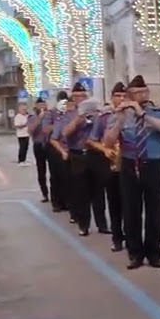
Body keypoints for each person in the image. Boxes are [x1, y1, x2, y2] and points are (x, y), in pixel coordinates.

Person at [103, 75, 160, 269]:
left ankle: (154, 253)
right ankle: (135, 253)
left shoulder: (158, 112)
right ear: (129, 95)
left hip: (153, 164)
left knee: (154, 211)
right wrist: (119, 121)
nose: (141, 95)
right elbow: (108, 141)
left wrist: (143, 115)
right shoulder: (120, 114)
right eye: (136, 93)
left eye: (143, 92)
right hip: (130, 164)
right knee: (131, 211)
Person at [89, 82, 128, 251]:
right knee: (114, 202)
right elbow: (91, 140)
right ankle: (117, 237)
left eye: (124, 96)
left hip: (130, 163)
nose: (121, 99)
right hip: (112, 163)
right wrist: (104, 149)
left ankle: (131, 236)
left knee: (130, 204)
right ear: (112, 97)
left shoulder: (132, 114)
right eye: (118, 96)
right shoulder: (104, 117)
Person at [60, 82, 98, 236]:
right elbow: (64, 132)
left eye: (82, 96)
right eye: (76, 96)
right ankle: (84, 224)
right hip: (77, 154)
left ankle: (102, 224)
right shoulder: (68, 114)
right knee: (81, 192)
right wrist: (77, 119)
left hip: (94, 153)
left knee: (98, 191)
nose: (80, 98)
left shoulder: (95, 111)